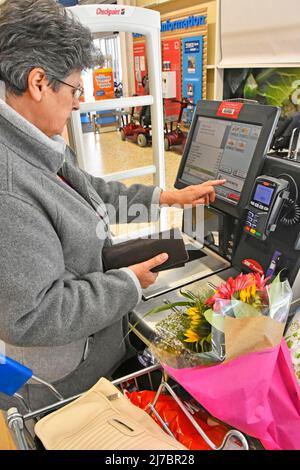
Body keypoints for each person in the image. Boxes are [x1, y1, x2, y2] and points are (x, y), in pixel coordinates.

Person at [0, 0, 225, 411]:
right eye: (73, 89)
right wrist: (129, 283)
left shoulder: (33, 138)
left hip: (93, 351)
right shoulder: (8, 184)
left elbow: (90, 191)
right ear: (37, 83)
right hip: (62, 384)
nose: (79, 102)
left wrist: (167, 197)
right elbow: (31, 316)